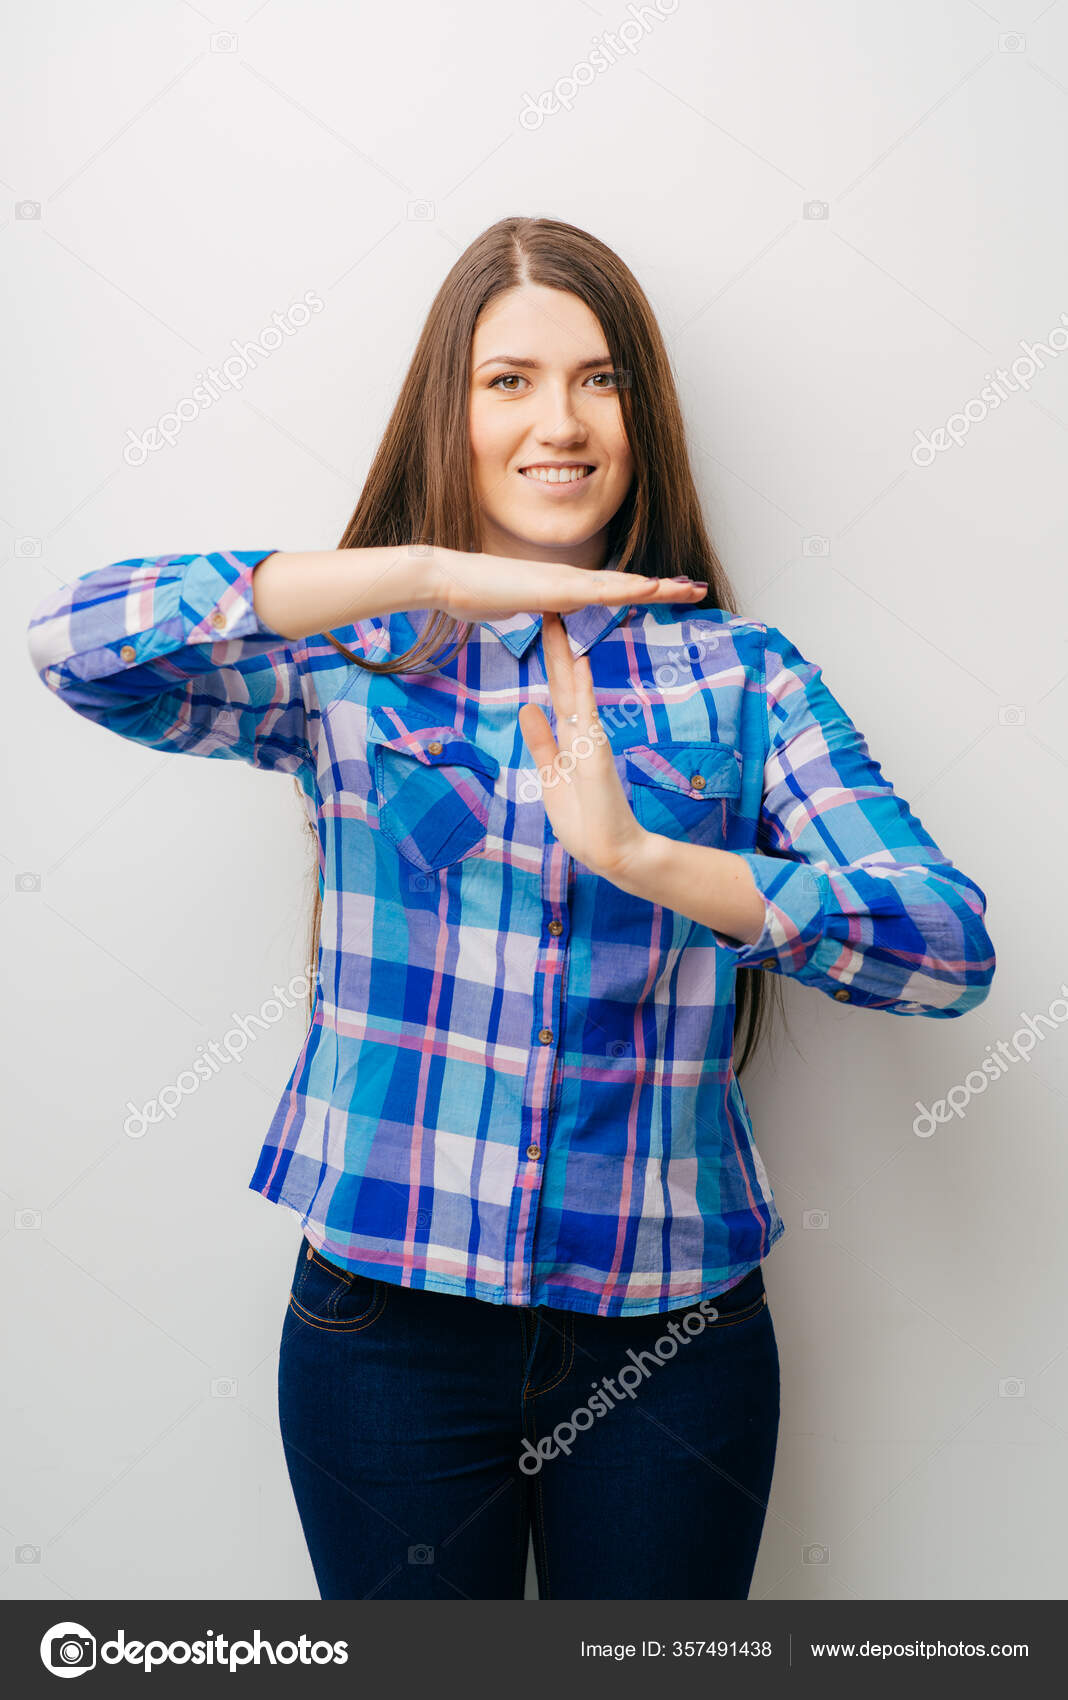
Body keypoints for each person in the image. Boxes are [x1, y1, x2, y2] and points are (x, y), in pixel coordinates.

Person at [25, 216, 996, 1602]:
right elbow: (75, 642)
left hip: (672, 1345)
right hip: (385, 1338)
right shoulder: (351, 665)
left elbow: (947, 949)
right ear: (453, 412)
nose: (561, 421)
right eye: (510, 381)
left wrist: (654, 860)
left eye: (600, 380)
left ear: (641, 416)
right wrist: (415, 574)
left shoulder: (741, 676)